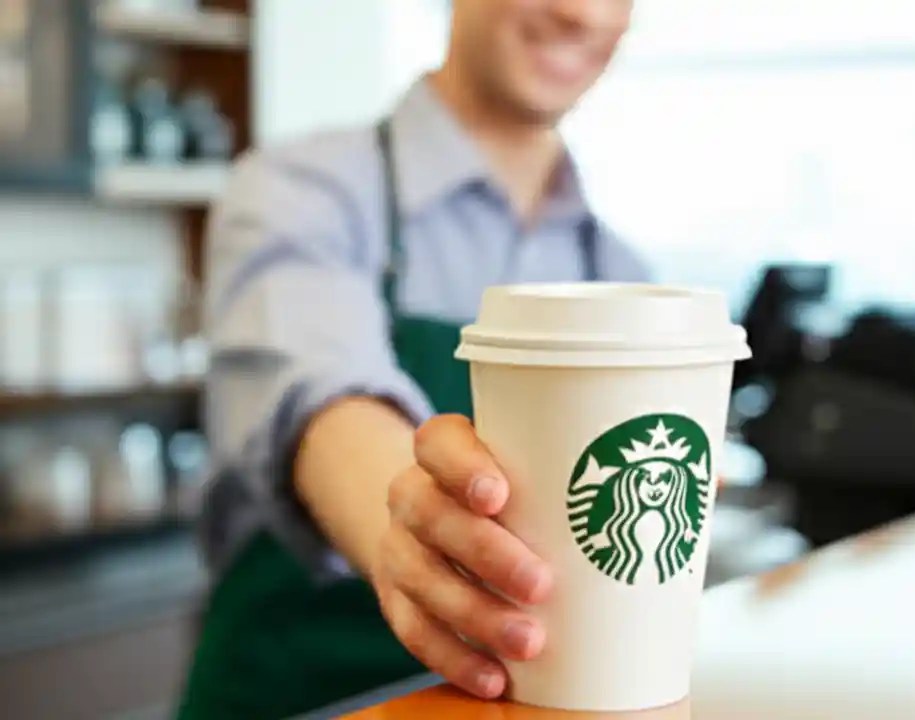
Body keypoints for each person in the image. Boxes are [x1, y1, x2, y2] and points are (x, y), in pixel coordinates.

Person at [178, 1, 643, 717]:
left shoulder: (624, 275)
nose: (579, 10)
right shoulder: (299, 191)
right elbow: (321, 394)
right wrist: (412, 531)